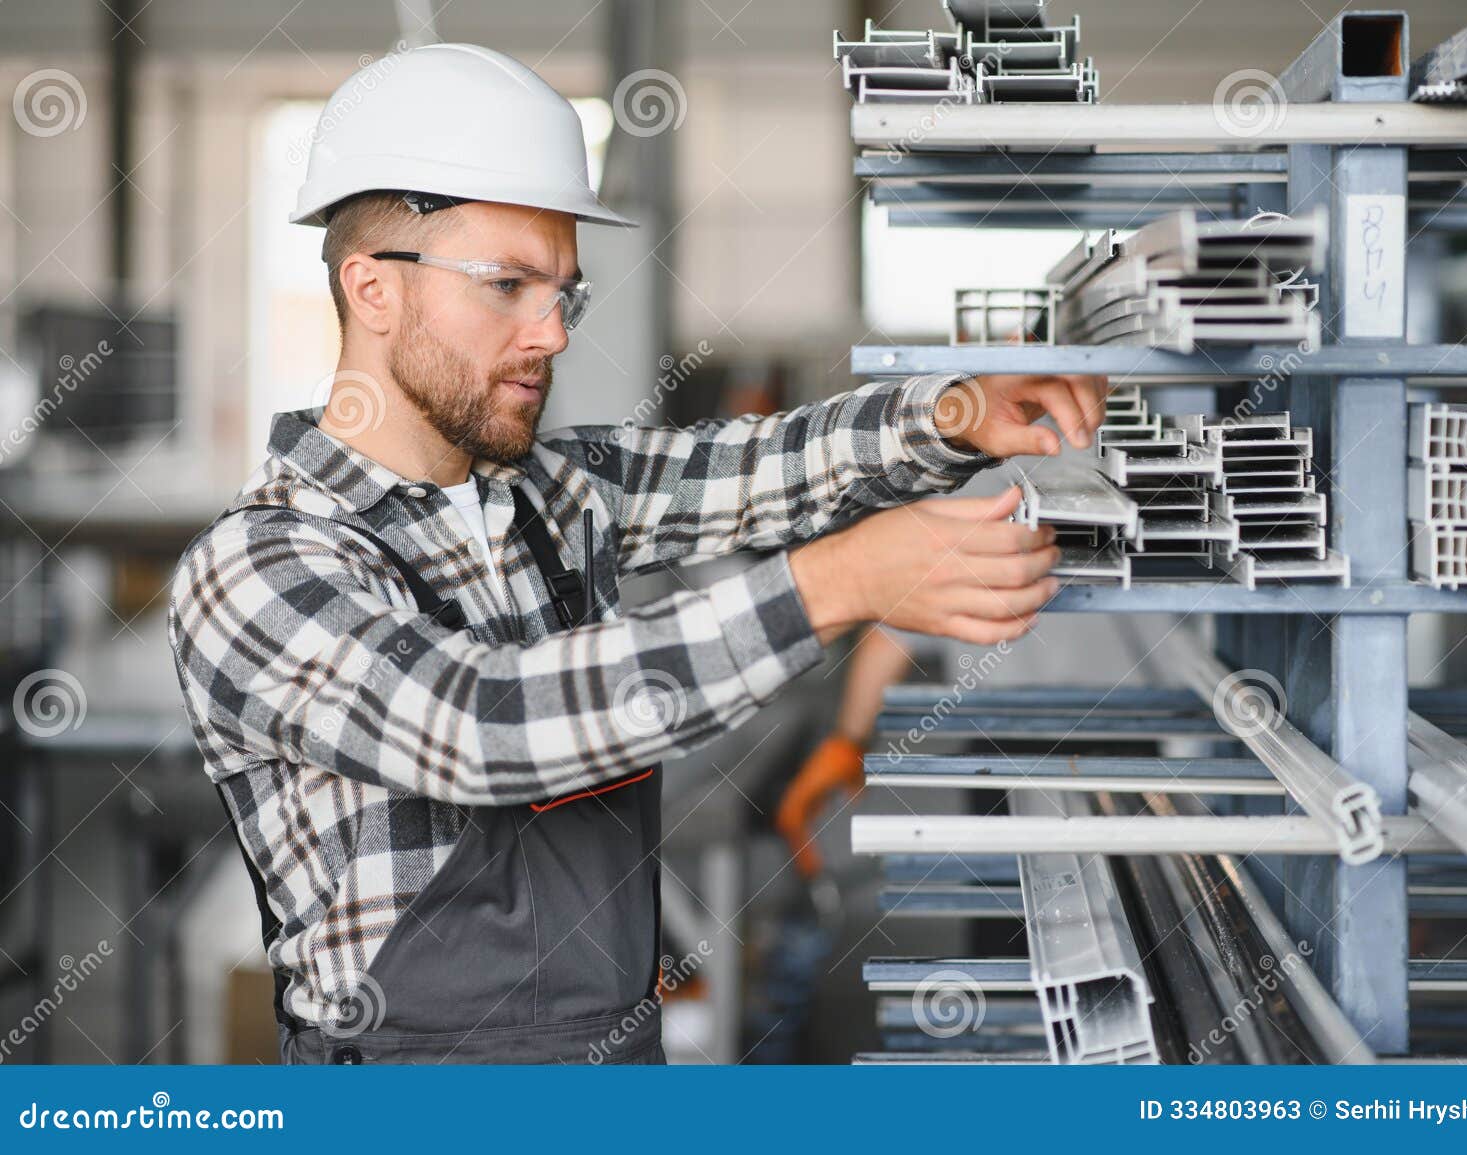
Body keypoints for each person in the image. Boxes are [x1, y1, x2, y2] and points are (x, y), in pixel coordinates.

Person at [166, 43, 1108, 1065]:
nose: (552, 333)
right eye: (508, 285)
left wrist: (953, 415)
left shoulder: (553, 495)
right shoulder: (258, 568)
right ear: (373, 288)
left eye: (562, 293)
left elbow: (759, 467)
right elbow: (488, 724)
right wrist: (839, 584)